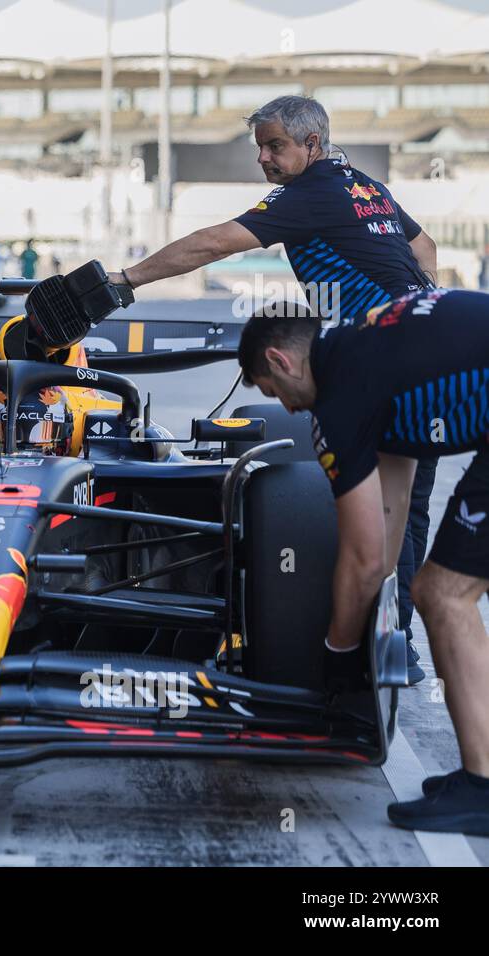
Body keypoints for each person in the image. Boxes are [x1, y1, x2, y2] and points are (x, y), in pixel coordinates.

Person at [98, 95, 438, 684]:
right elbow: (423, 248)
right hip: (425, 354)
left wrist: (124, 279)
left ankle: (378, 646)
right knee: (407, 514)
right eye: (260, 146)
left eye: (274, 145)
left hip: (383, 365)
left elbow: (214, 243)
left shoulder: (308, 193)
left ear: (312, 145)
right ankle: (398, 643)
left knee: (380, 512)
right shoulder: (365, 187)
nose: (263, 157)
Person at [238, 289, 489, 835]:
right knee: (430, 590)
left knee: (446, 594)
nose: (285, 408)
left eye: (272, 390)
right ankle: (480, 776)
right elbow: (388, 516)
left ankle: (483, 789)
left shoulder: (341, 400)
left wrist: (339, 649)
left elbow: (365, 558)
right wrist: (377, 613)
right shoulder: (369, 346)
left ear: (281, 360)